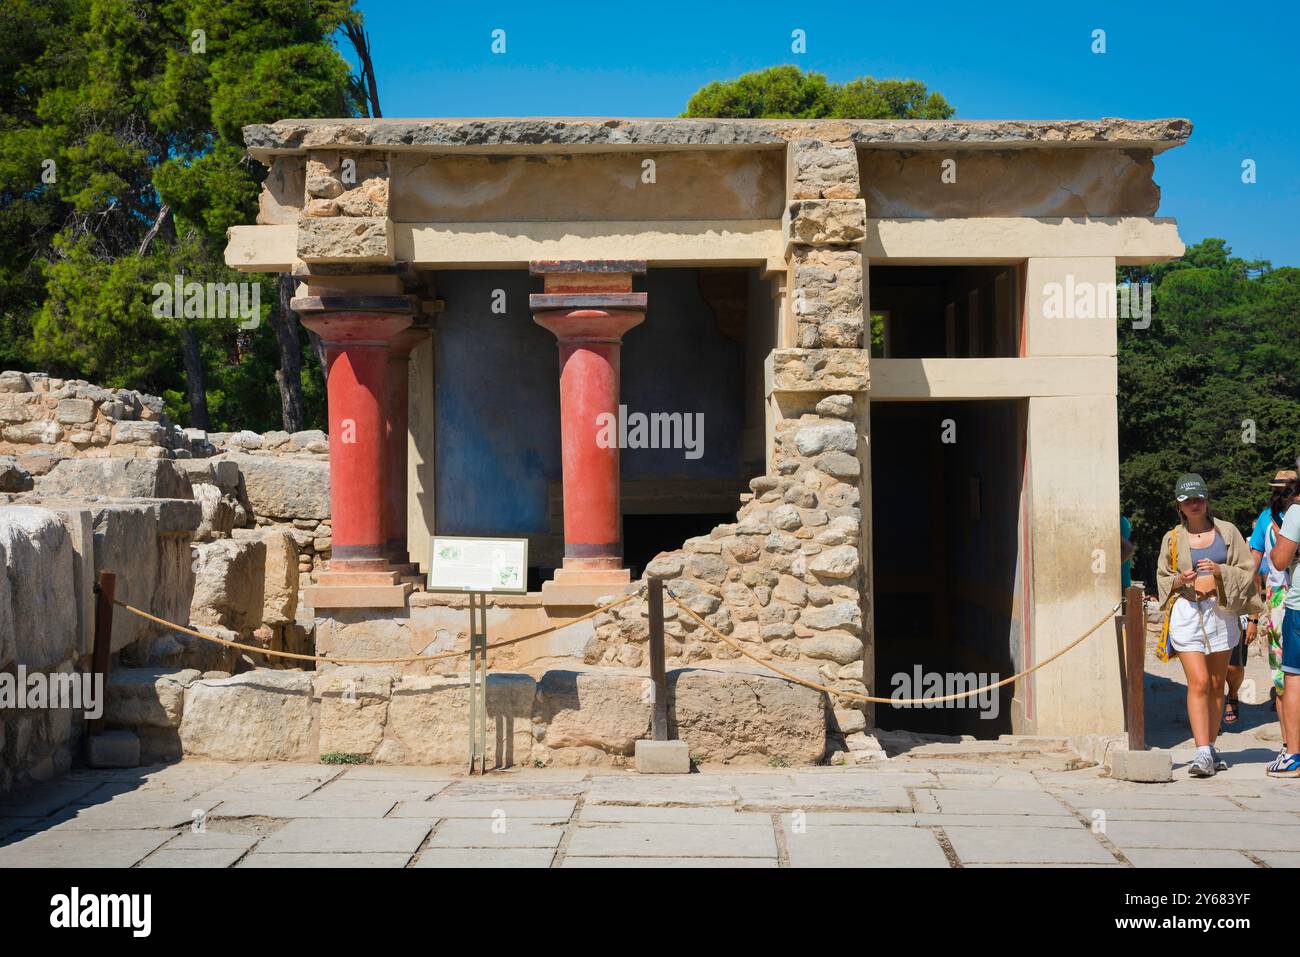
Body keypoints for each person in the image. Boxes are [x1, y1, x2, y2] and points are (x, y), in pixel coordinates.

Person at [1156, 473, 1262, 777]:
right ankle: (1201, 751)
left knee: (1217, 684)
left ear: (1208, 500)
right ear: (1179, 505)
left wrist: (1220, 570)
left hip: (1222, 611)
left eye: (1199, 498)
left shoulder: (1227, 531)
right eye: (1187, 500)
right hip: (1187, 612)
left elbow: (1247, 570)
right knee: (1199, 682)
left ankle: (1212, 748)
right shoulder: (1172, 538)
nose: (1194, 504)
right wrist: (1180, 578)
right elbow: (1163, 578)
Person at [1250, 471, 1297, 751]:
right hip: (1279, 597)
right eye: (1278, 491)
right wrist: (1251, 612)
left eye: (1286, 490)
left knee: (1287, 672)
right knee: (1282, 674)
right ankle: (1287, 741)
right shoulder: (1267, 519)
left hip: (1284, 596)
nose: (1281, 496)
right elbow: (1253, 565)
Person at [1267, 462, 1300, 777]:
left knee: (1293, 678)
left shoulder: (1296, 513)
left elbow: (1278, 560)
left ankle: (1294, 754)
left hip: (1298, 606)